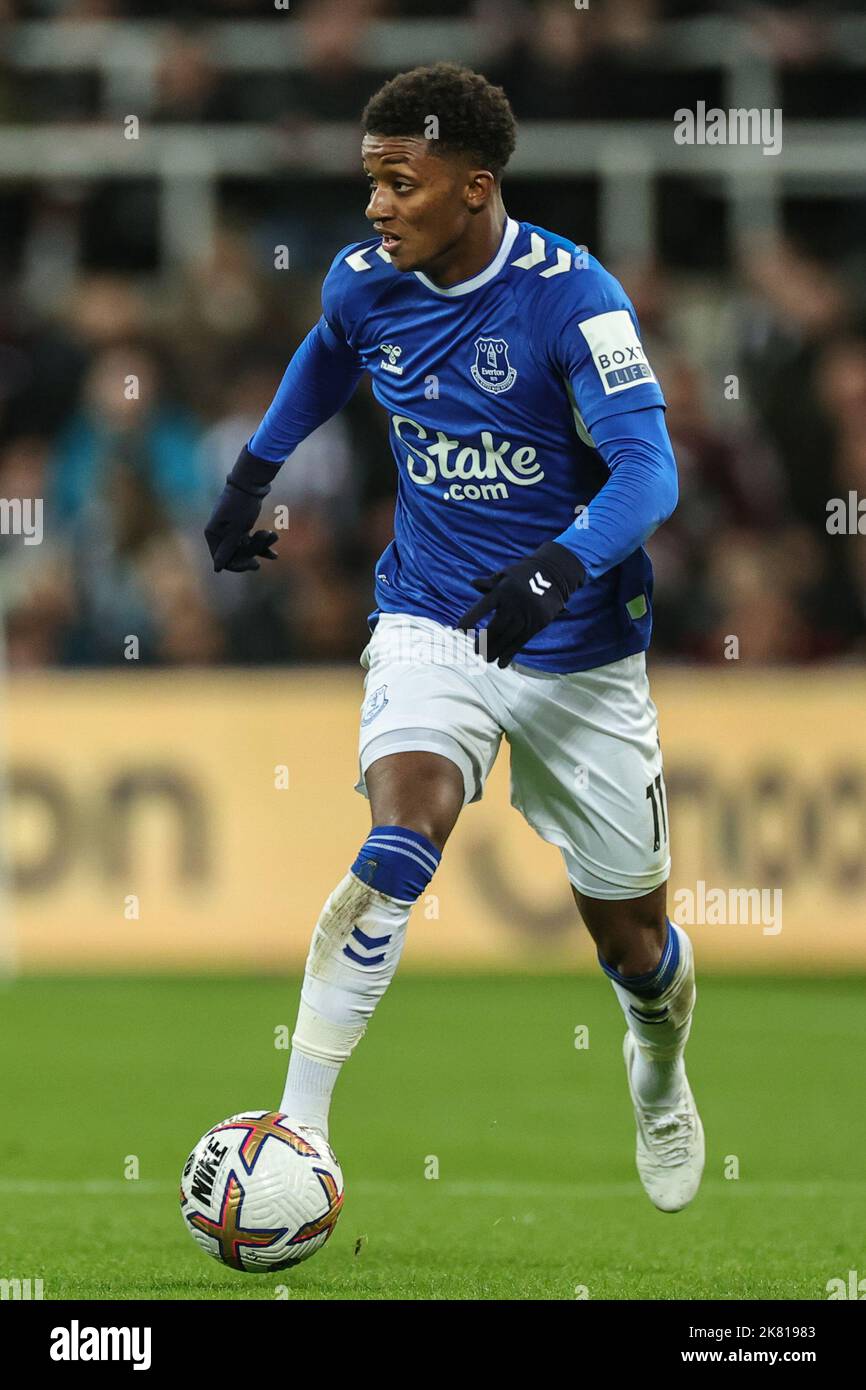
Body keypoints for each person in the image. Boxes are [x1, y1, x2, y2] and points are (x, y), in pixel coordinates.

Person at [204, 62, 702, 1212]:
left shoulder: (573, 299)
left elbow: (648, 471)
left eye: (399, 182)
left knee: (633, 942)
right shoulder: (366, 281)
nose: (375, 206)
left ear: (473, 188)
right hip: (433, 617)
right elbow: (329, 348)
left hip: (578, 647)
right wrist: (250, 477)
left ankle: (657, 1066)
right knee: (404, 822)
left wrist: (559, 564)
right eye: (368, 181)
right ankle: (299, 1131)